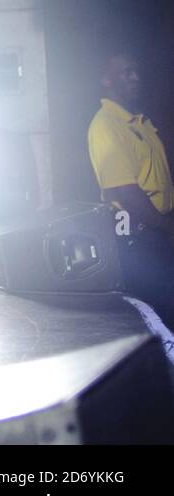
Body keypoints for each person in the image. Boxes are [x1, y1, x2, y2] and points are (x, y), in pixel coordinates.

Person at [87, 53, 174, 329]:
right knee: (161, 313)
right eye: (127, 72)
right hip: (139, 237)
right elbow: (126, 193)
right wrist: (166, 228)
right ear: (107, 80)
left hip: (156, 231)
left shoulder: (138, 123)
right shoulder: (106, 125)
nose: (136, 77)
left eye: (136, 71)